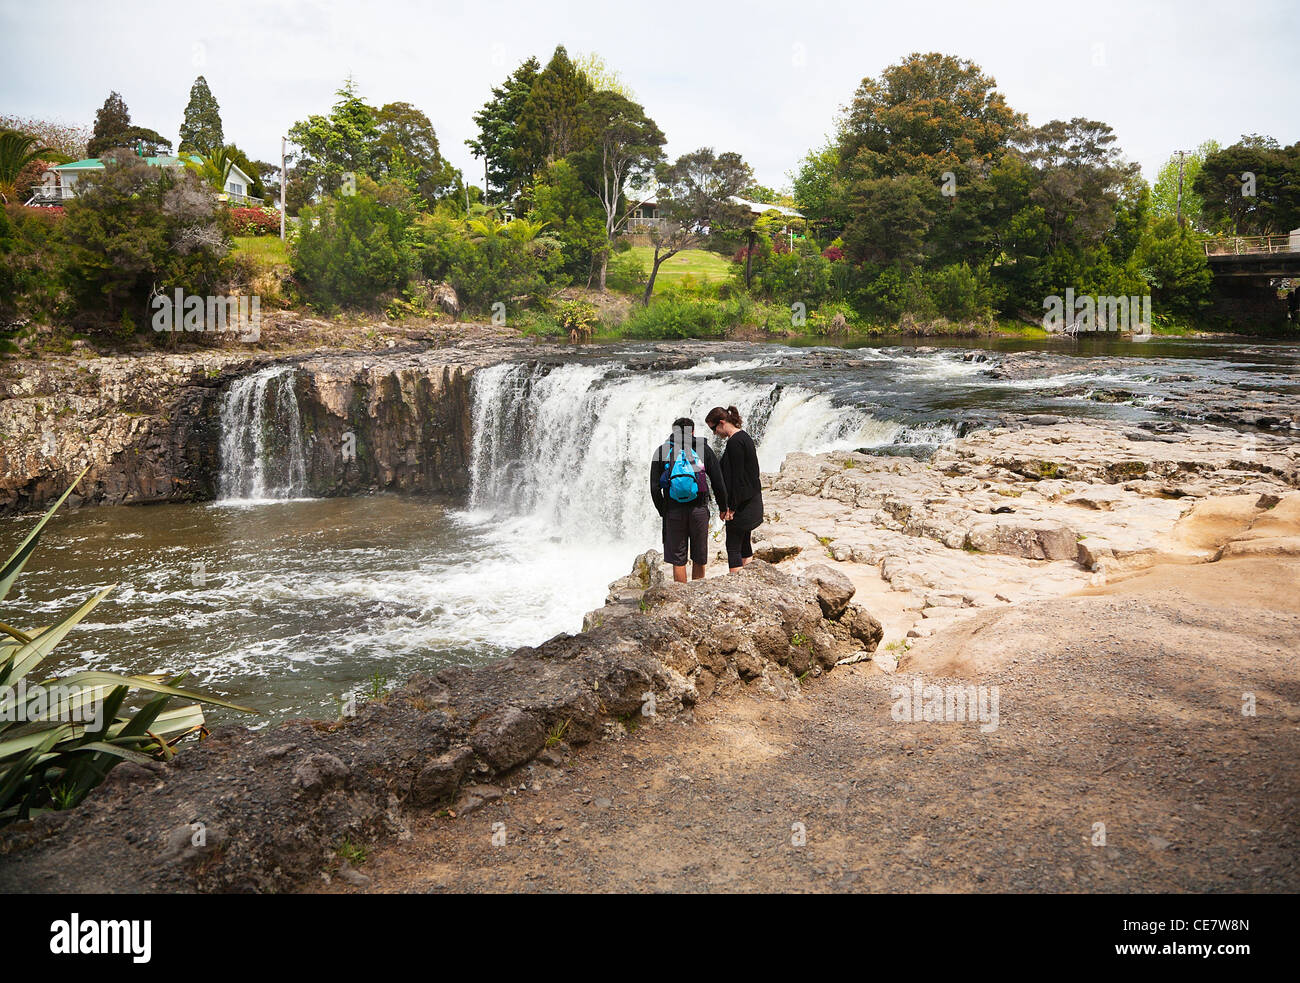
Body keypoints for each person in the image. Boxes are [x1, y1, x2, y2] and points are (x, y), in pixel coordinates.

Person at [650, 417, 728, 583]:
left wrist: (663, 510)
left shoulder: (662, 450)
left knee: (679, 558)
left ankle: (682, 596)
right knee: (699, 555)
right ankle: (696, 595)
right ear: (693, 431)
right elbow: (717, 480)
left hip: (673, 510)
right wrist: (723, 506)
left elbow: (654, 486)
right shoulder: (701, 448)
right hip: (699, 509)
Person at [706, 405, 763, 573]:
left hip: (742, 505)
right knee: (744, 543)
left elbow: (737, 480)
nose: (714, 433)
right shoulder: (744, 437)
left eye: (713, 428)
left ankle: (737, 586)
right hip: (752, 501)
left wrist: (731, 508)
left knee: (733, 547)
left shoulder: (734, 443)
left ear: (722, 422)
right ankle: (748, 581)